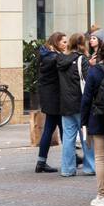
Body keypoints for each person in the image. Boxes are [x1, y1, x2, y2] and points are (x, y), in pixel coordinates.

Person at [79, 38, 104, 206]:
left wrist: (84, 121)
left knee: (100, 158)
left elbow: (86, 99)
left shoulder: (94, 71)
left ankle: (102, 196)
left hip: (98, 116)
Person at [58, 33, 94, 177]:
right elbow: (89, 81)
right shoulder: (82, 59)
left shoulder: (60, 59)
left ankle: (67, 169)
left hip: (65, 104)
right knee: (86, 136)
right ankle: (90, 167)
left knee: (68, 138)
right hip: (80, 103)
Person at [33, 32, 67, 173]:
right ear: (56, 42)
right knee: (62, 129)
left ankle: (41, 162)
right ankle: (71, 158)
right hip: (55, 99)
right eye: (64, 42)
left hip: (48, 98)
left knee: (56, 128)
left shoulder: (45, 55)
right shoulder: (55, 58)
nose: (66, 44)